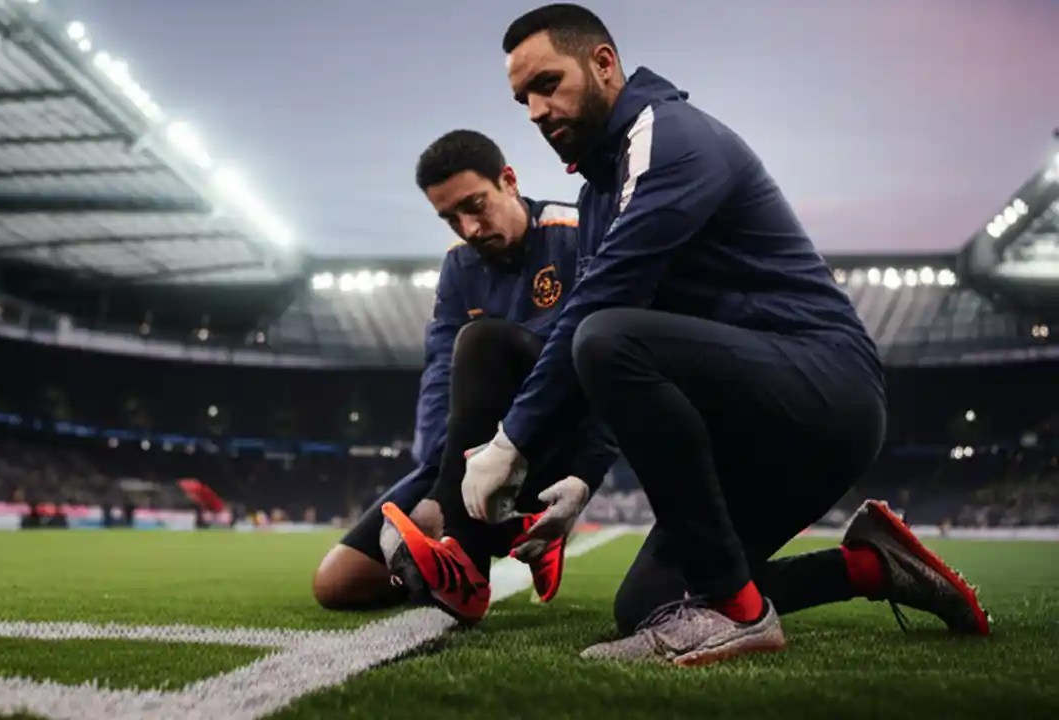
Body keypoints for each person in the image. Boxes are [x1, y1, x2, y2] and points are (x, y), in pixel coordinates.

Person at [389, 3, 989, 665]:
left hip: (823, 395)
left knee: (603, 333)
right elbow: (600, 345)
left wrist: (513, 443)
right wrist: (582, 480)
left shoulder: (669, 136)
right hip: (744, 423)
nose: (535, 111)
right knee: (648, 603)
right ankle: (872, 565)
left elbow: (605, 316)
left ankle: (738, 614)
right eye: (522, 99)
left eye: (548, 84)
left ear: (603, 64)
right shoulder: (598, 194)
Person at [314, 129, 616, 613]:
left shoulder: (578, 234)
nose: (469, 228)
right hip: (472, 451)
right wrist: (439, 470)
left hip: (554, 435)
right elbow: (438, 373)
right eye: (451, 218)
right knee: (338, 584)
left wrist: (586, 473)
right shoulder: (458, 267)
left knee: (482, 340)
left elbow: (613, 366)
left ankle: (467, 568)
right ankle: (501, 528)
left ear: (509, 181)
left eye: (476, 206)